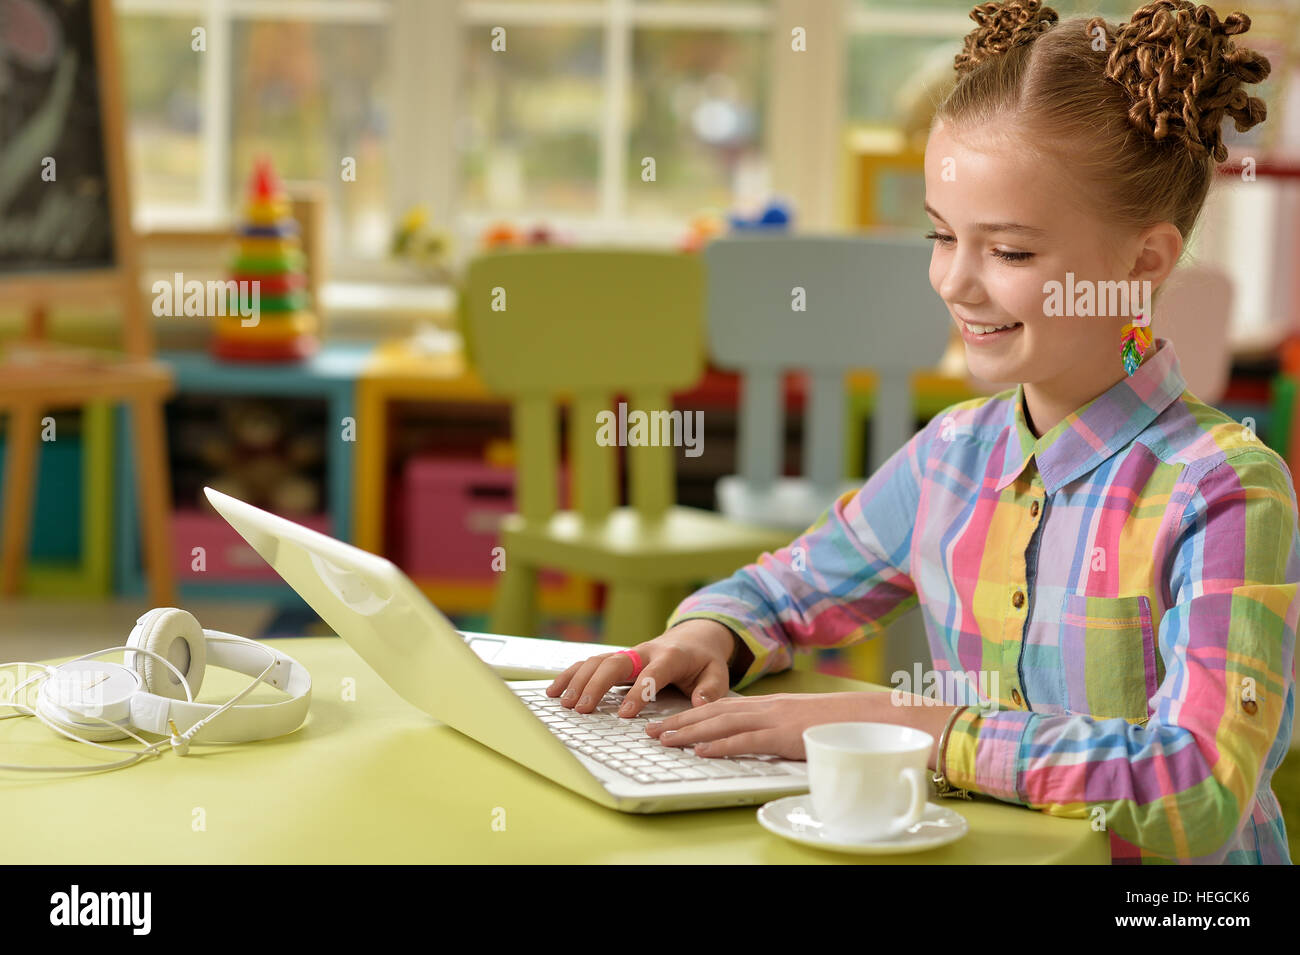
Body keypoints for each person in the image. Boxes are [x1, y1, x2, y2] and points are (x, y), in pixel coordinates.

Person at [548, 0, 1292, 864]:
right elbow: (785, 591)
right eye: (942, 237)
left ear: (1143, 264)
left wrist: (908, 725)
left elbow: (1198, 786)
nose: (956, 283)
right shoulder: (951, 457)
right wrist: (705, 634)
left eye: (1010, 253)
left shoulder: (1225, 490)